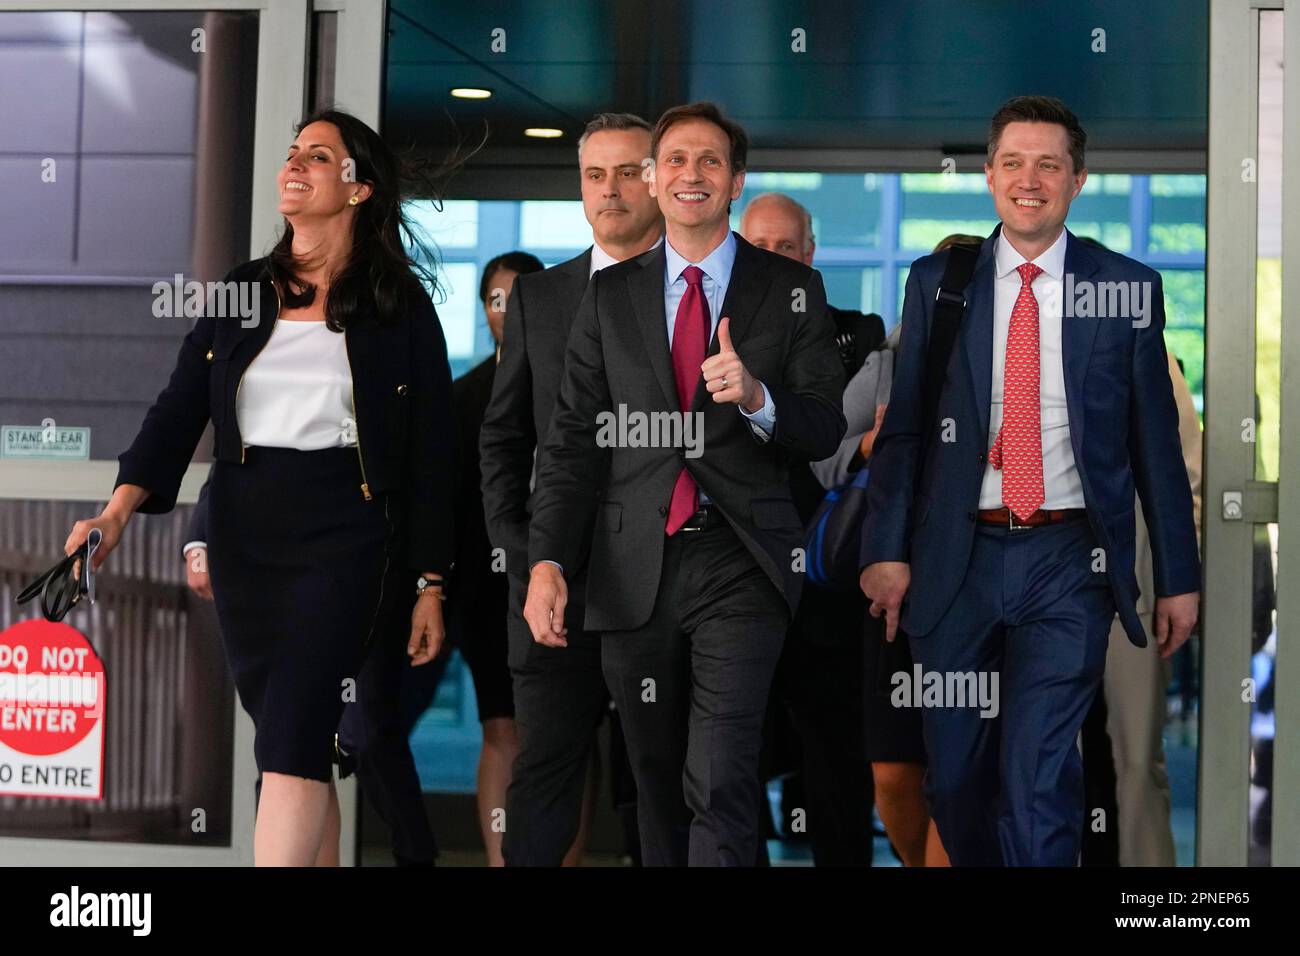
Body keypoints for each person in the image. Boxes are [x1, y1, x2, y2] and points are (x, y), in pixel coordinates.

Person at [65, 109, 456, 867]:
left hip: (348, 533)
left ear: (358, 187)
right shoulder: (244, 291)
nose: (295, 165)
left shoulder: (395, 304)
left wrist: (432, 581)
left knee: (291, 743)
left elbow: (435, 455)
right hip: (249, 530)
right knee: (294, 737)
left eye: (318, 156)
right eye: (291, 154)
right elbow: (180, 410)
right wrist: (114, 514)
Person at [859, 95, 1200, 866]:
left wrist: (1178, 576)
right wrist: (885, 550)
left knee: (1038, 777)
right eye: (1013, 162)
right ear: (988, 176)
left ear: (1077, 180)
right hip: (956, 561)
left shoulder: (1126, 290)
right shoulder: (938, 283)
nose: (1030, 179)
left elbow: (1156, 447)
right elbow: (905, 428)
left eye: (1049, 164)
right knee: (956, 779)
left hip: (1067, 562)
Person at [522, 101, 846, 866]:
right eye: (673, 161)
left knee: (722, 773)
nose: (689, 175)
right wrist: (547, 561)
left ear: (735, 180)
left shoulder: (791, 288)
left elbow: (825, 426)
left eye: (708, 162)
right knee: (657, 780)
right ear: (654, 178)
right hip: (633, 565)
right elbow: (571, 441)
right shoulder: (609, 296)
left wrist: (760, 398)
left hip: (741, 560)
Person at [479, 112, 664, 866]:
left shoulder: (696, 289)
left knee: (664, 777)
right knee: (546, 772)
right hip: (555, 583)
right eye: (595, 175)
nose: (611, 190)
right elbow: (503, 435)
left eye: (629, 172)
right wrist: (523, 553)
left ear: (657, 180)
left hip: (668, 581)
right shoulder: (540, 298)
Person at [810, 234, 981, 868]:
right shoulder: (886, 364)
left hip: (984, 589)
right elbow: (822, 460)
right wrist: (870, 443)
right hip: (892, 596)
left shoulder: (1021, 364)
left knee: (962, 775)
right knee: (894, 775)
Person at [183, 480, 440, 866]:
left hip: (368, 561)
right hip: (277, 565)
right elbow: (233, 434)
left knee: (364, 733)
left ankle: (416, 853)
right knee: (289, 744)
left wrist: (430, 584)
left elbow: (429, 464)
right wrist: (199, 535)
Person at [739, 191, 879, 866]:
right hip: (728, 575)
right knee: (727, 755)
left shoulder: (860, 333)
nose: (772, 261)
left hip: (826, 581)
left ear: (810, 254)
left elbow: (864, 449)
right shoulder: (706, 332)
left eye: (785, 248)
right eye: (758, 247)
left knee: (834, 755)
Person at [451, 250, 548, 865]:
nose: (505, 312)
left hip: (574, 581)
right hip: (488, 590)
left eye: (518, 299)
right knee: (502, 727)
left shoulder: (578, 382)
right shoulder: (461, 397)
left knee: (563, 739)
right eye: (494, 300)